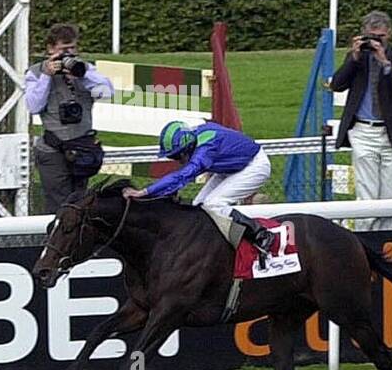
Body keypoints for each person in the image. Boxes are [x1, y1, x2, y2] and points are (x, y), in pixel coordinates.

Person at [121, 121, 273, 257]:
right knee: (199, 205)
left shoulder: (205, 150)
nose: (178, 161)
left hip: (254, 166)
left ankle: (260, 234)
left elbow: (182, 177)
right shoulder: (195, 140)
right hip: (232, 165)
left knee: (213, 204)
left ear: (187, 148)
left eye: (177, 157)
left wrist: (145, 192)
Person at [329, 10, 392, 231]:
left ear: (390, 34)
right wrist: (354, 58)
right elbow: (336, 85)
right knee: (367, 193)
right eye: (371, 36)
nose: (376, 41)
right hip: (363, 132)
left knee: (390, 195)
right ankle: (365, 240)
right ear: (363, 34)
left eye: (380, 36)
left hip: (390, 133)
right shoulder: (355, 58)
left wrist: (385, 63)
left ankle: (390, 243)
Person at [25, 23, 114, 213]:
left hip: (82, 147)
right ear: (50, 49)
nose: (69, 54)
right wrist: (47, 76)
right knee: (59, 205)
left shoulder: (86, 70)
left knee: (80, 202)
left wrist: (82, 77)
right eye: (63, 50)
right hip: (53, 149)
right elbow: (33, 106)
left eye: (73, 48)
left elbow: (106, 92)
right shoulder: (35, 73)